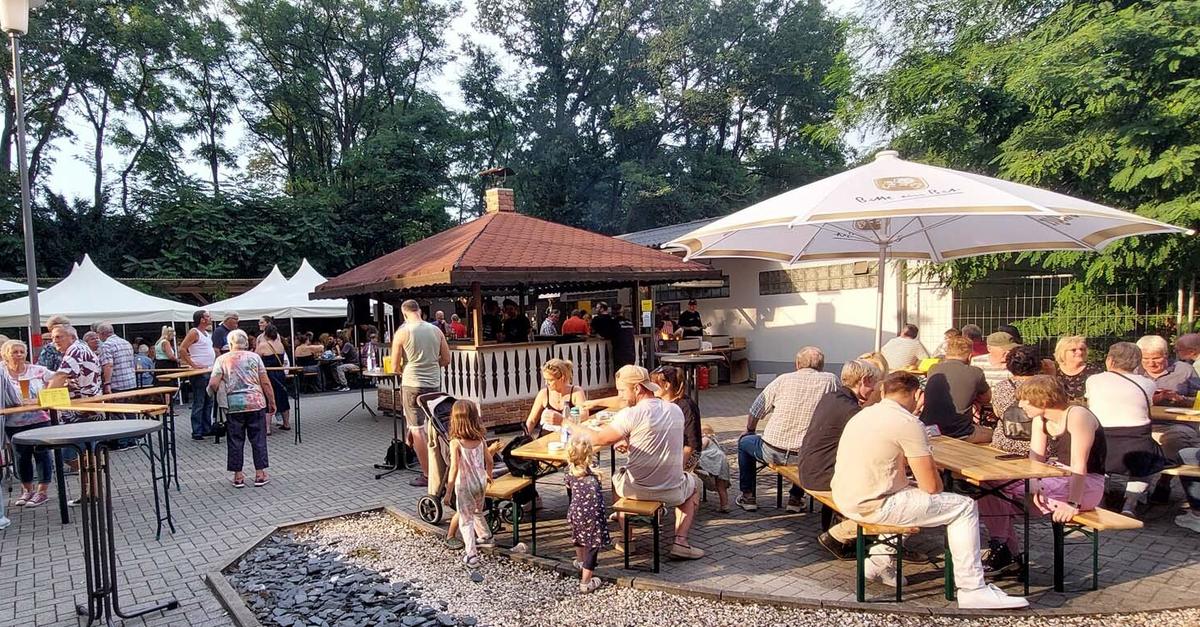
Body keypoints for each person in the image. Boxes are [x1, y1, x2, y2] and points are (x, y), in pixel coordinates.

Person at [831, 371, 1028, 609]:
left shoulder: (865, 414)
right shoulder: (908, 423)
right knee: (964, 506)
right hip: (874, 503)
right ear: (918, 395)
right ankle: (972, 587)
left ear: (883, 392)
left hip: (846, 496)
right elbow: (932, 487)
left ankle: (880, 559)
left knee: (916, 496)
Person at [979, 376, 1108, 576]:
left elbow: (1079, 465)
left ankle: (1006, 552)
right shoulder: (1041, 419)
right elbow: (1035, 459)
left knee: (1003, 492)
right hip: (1055, 474)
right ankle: (1004, 547)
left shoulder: (1077, 416)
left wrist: (1073, 504)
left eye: (1025, 400)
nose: (1021, 405)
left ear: (1044, 400)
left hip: (1084, 484)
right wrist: (1034, 481)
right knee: (988, 485)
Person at [573, 365, 704, 559]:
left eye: (622, 390)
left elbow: (599, 439)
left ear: (637, 388)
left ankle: (627, 541)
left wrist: (565, 423)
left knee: (617, 479)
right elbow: (654, 436)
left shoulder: (630, 414)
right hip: (672, 490)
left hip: (635, 489)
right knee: (694, 485)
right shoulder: (675, 410)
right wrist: (628, 439)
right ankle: (680, 542)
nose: (621, 396)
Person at [736, 346, 839, 512]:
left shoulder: (783, 379)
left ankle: (748, 496)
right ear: (822, 365)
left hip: (772, 449)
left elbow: (756, 410)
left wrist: (750, 429)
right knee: (808, 447)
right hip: (806, 454)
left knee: (744, 442)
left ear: (797, 364)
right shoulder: (831, 380)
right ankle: (795, 498)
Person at [798, 359, 882, 559]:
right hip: (823, 476)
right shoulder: (850, 409)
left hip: (810, 469)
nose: (875, 391)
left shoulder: (832, 397)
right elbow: (875, 441)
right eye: (874, 385)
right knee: (885, 489)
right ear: (864, 380)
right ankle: (873, 544)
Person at [1085, 342, 1174, 516]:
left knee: (1096, 462)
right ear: (1137, 363)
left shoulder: (1093, 380)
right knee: (1149, 460)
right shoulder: (1148, 384)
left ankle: (1100, 501)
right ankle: (1130, 505)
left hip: (1103, 443)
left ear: (1109, 361)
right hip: (1136, 441)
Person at [391, 299, 452, 487]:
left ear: (404, 313)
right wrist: (431, 365)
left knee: (416, 428)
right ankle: (443, 463)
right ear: (420, 311)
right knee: (434, 425)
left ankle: (428, 474)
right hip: (433, 383)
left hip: (412, 383)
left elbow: (394, 366)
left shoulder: (402, 332)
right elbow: (446, 359)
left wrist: (405, 369)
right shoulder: (436, 330)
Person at [208, 330, 275, 488]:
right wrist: (271, 401)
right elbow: (265, 382)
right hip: (256, 403)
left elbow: (213, 383)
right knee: (258, 439)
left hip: (233, 406)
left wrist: (215, 394)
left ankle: (238, 476)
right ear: (246, 343)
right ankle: (260, 474)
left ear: (230, 344)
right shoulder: (255, 357)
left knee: (235, 440)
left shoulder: (221, 359)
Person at [2, 339, 53, 508]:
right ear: (5, 355)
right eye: (14, 352)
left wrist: (42, 397)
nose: (18, 355)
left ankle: (42, 492)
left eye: (21, 352)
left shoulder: (37, 370)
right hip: (12, 421)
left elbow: (59, 380)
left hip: (39, 419)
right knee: (21, 457)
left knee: (42, 454)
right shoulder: (2, 372)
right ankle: (26, 490)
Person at [444, 400, 493, 569]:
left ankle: (471, 555)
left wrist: (448, 492)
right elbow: (490, 461)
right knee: (478, 511)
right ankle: (486, 537)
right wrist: (489, 475)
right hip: (480, 483)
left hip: (464, 486)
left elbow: (454, 468)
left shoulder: (456, 443)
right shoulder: (481, 439)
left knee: (466, 520)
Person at [921, 336, 993, 443]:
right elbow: (986, 398)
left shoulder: (933, 369)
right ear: (969, 356)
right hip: (959, 432)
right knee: (994, 435)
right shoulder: (975, 372)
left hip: (930, 429)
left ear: (946, 354)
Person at [564, 432, 609, 592]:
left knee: (578, 535)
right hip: (594, 515)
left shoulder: (569, 473)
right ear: (590, 453)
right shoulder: (595, 474)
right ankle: (586, 581)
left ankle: (580, 562)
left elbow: (570, 492)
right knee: (593, 546)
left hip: (576, 511)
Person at [989, 346, 1045, 455]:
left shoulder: (1001, 387)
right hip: (1037, 447)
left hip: (1004, 443)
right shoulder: (1044, 386)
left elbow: (996, 412)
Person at [650, 366, 702, 473]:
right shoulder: (659, 402)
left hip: (687, 453)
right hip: (670, 450)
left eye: (654, 385)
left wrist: (678, 468)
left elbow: (690, 444)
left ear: (666, 385)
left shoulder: (686, 407)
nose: (651, 388)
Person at [524, 358, 588, 437]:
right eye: (545, 379)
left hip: (569, 436)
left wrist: (563, 420)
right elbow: (532, 420)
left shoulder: (576, 392)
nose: (546, 383)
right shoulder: (543, 394)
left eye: (550, 380)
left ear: (562, 378)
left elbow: (584, 414)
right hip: (546, 438)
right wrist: (524, 437)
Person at [179, 309, 217, 440]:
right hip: (199, 372)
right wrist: (193, 364)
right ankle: (197, 430)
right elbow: (182, 349)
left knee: (209, 400)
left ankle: (206, 427)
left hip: (209, 369)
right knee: (199, 401)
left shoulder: (206, 333)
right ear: (202, 319)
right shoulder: (194, 332)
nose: (210, 318)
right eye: (207, 316)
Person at [1137, 334, 1200, 406]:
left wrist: (1181, 399)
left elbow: (1198, 400)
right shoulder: (1133, 371)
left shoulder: (1185, 370)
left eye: (1156, 358)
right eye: (1145, 358)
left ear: (1166, 355)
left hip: (1176, 416)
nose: (1151, 364)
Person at [255, 324, 292, 432]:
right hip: (280, 374)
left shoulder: (262, 345)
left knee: (268, 398)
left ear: (265, 334)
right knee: (282, 398)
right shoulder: (280, 344)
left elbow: (255, 358)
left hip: (268, 374)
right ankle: (286, 423)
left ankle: (267, 428)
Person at [1053, 336, 1102, 403]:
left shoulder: (1094, 371)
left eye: (1082, 349)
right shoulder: (1053, 369)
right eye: (1073, 350)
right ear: (1063, 353)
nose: (1080, 352)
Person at [695, 423, 731, 512]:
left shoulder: (705, 439)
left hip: (715, 462)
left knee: (695, 463)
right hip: (720, 463)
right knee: (721, 486)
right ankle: (725, 505)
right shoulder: (714, 441)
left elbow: (699, 450)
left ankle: (699, 474)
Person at [96, 322, 136, 398]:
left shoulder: (106, 345)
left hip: (117, 384)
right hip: (131, 381)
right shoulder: (126, 342)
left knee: (117, 409)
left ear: (102, 333)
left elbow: (108, 365)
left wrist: (107, 383)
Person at [610, 304, 637, 369]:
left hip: (619, 353)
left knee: (620, 374)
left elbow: (608, 334)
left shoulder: (613, 323)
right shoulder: (629, 322)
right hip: (631, 353)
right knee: (630, 373)